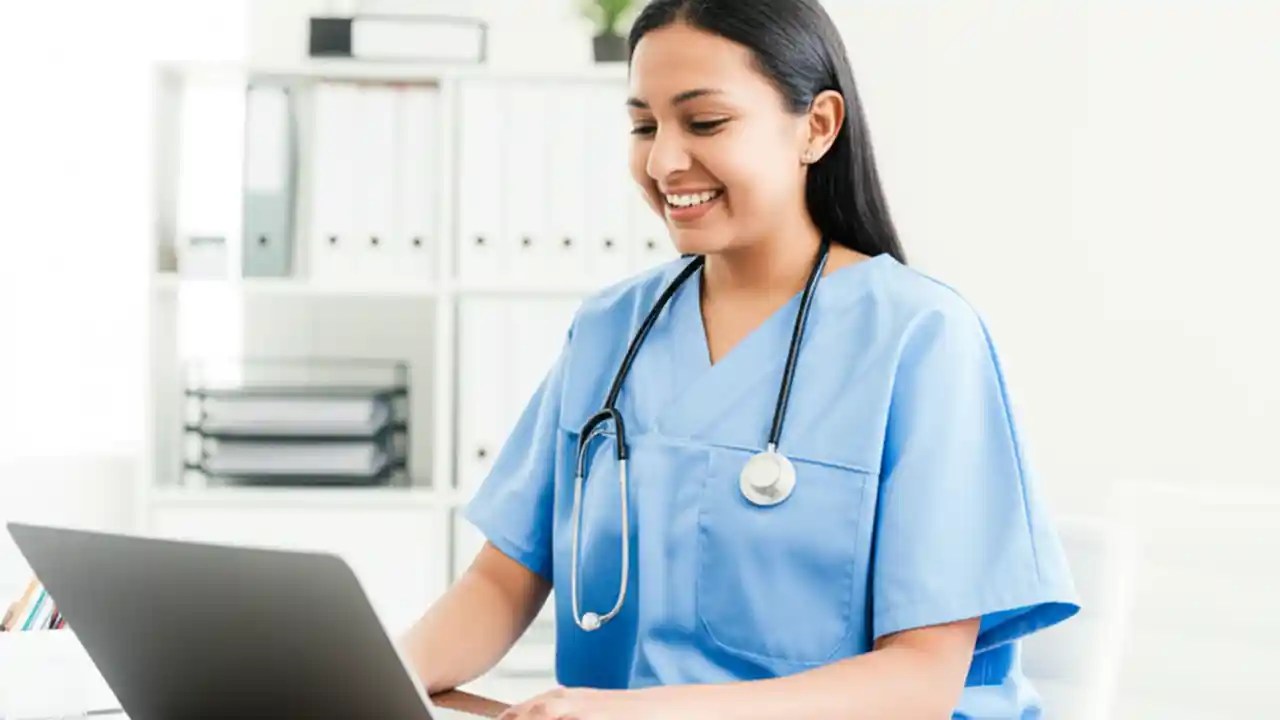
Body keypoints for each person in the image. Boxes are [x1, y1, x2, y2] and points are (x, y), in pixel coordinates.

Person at [401, 1, 1079, 717]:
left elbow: (919, 681)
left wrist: (641, 714)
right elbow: (502, 582)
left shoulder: (923, 339)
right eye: (643, 126)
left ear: (816, 127)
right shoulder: (610, 329)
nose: (662, 160)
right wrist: (369, 673)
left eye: (705, 122)